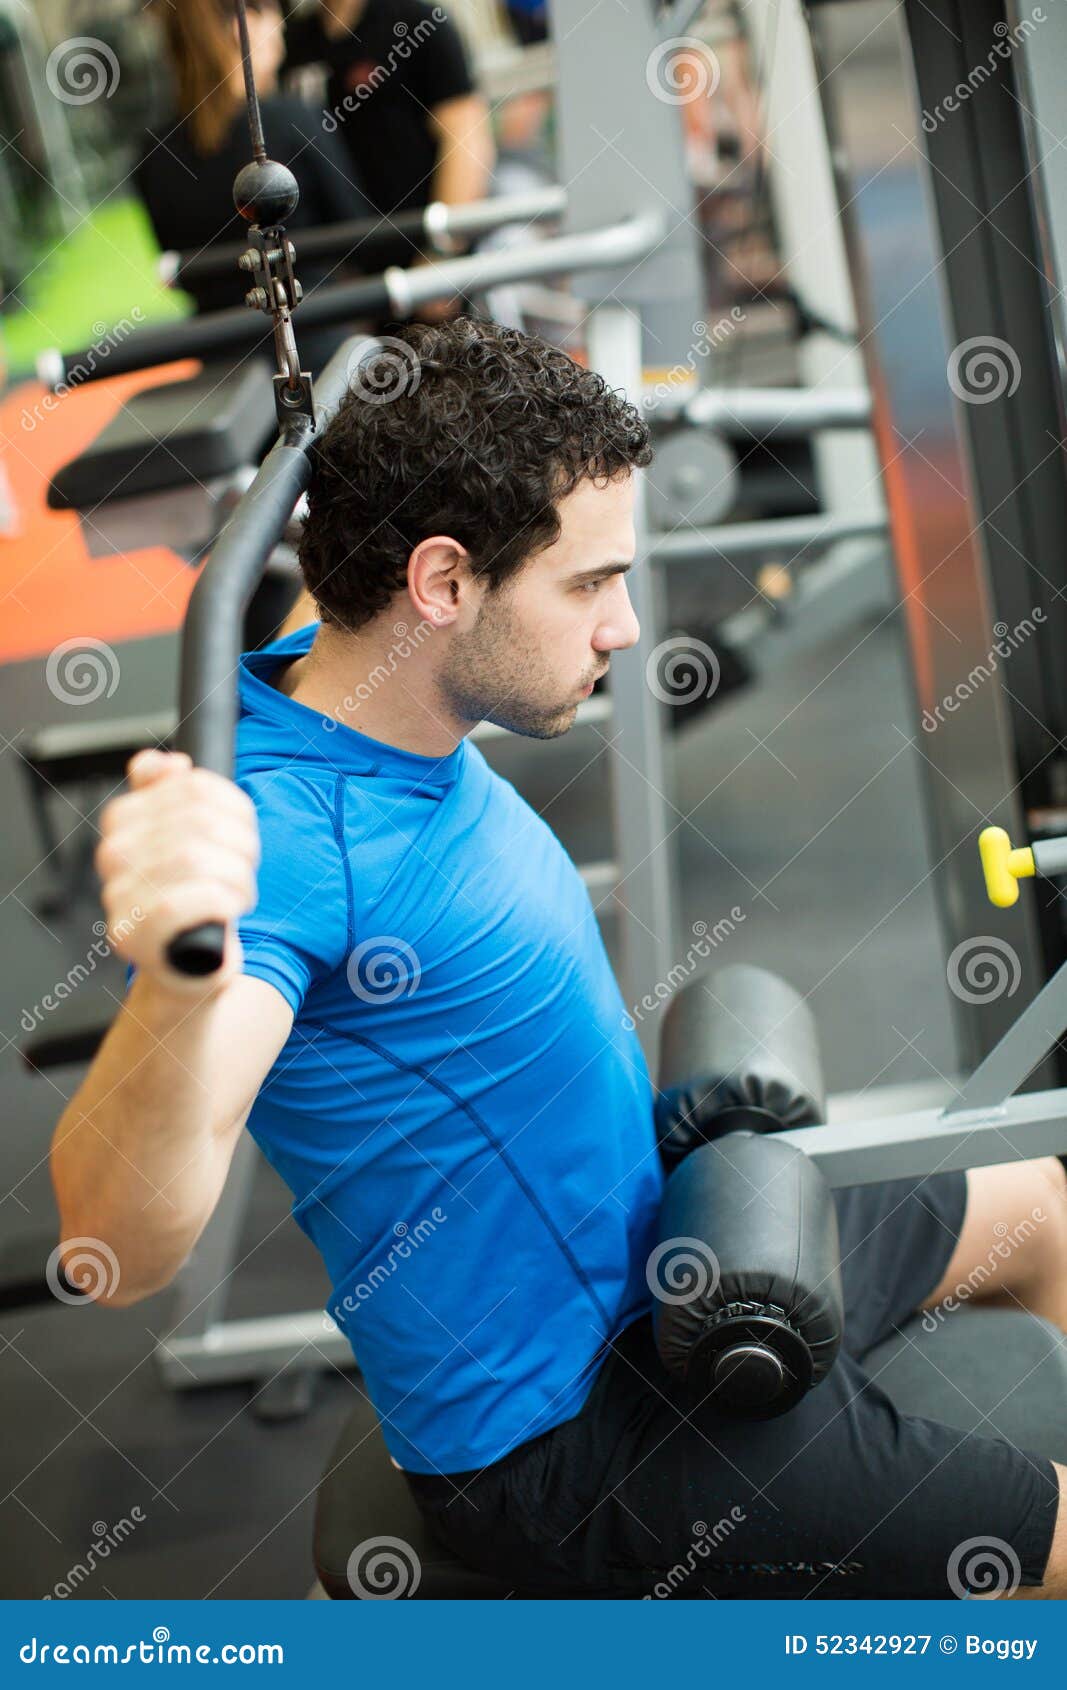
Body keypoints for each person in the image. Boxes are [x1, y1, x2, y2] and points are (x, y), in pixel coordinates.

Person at [50, 318, 1067, 1600]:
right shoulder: (294, 857)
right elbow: (115, 1242)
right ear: (440, 585)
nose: (627, 626)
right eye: (588, 585)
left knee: (1033, 1196)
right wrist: (177, 990)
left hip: (656, 1240)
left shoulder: (355, 678)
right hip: (576, 1438)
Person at [137, 0, 374, 371]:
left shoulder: (153, 152)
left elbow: (181, 268)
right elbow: (359, 236)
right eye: (273, 13)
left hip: (222, 370)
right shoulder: (294, 119)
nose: (281, 28)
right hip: (318, 351)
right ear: (244, 25)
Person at [281, 0, 494, 274]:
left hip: (421, 263)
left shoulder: (417, 23)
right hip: (347, 278)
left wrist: (441, 257)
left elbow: (467, 142)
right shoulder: (293, 41)